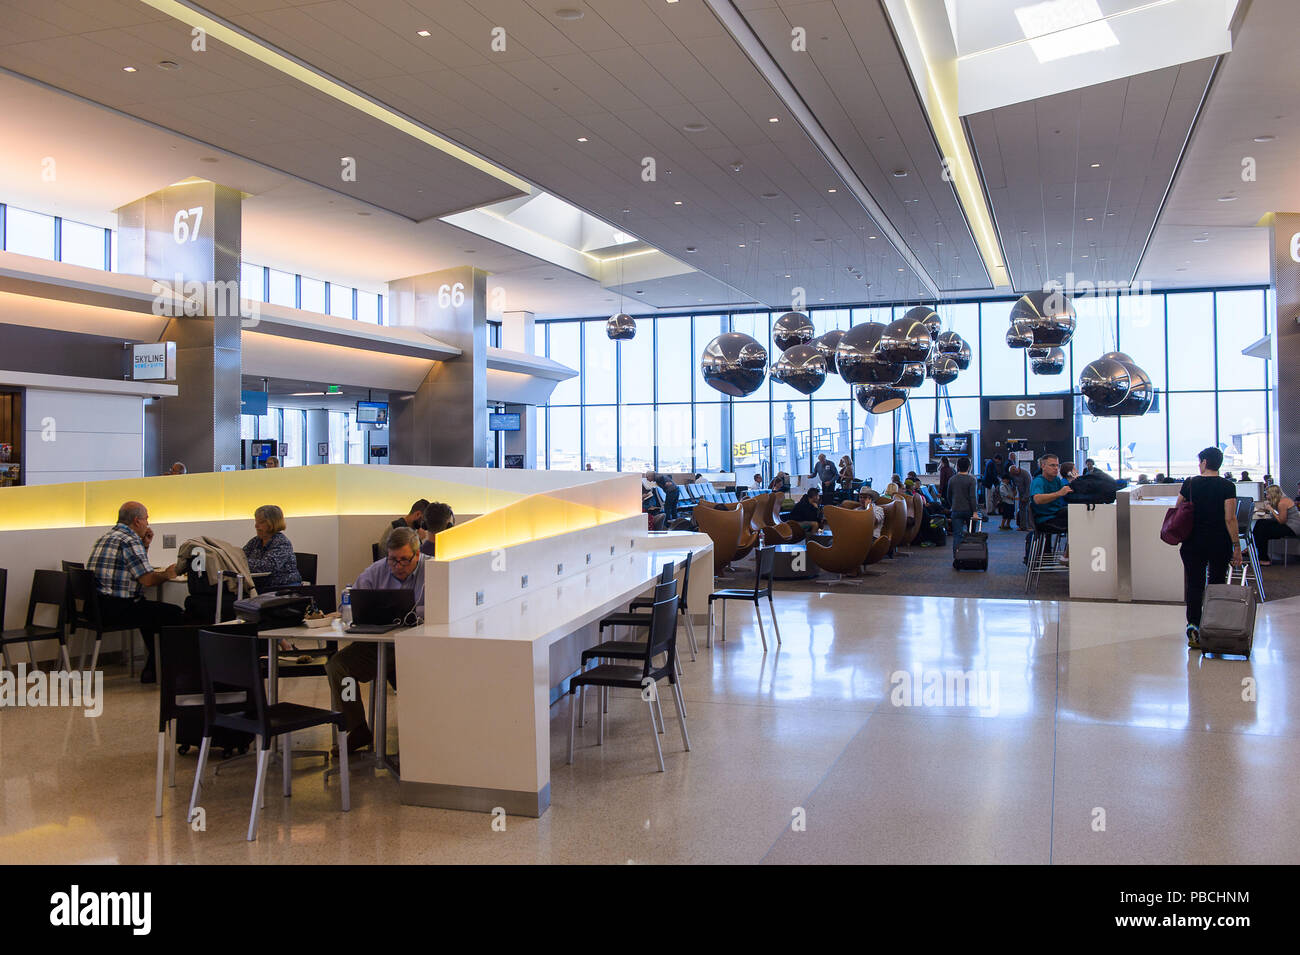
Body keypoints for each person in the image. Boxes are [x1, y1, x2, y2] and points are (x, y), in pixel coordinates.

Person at [325, 527, 425, 751]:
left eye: (404, 560)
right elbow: (347, 605)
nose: (397, 566)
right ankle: (357, 726)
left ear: (417, 555)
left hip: (420, 647)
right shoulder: (375, 571)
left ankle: (424, 734)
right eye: (392, 560)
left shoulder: (435, 569)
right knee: (338, 667)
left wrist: (413, 614)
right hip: (377, 644)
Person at [86, 501, 183, 684]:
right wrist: (168, 574)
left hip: (97, 607)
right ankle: (166, 669)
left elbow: (134, 569)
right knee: (173, 613)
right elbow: (147, 580)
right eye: (146, 519)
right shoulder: (129, 541)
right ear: (137, 521)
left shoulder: (106, 537)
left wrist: (145, 545)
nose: (148, 523)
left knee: (151, 613)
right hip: (117, 609)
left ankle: (153, 669)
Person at [1179, 448, 1241, 649]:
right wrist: (1237, 546)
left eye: (1200, 462)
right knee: (1216, 583)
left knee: (1194, 584)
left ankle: (1193, 625)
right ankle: (1214, 625)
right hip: (1218, 542)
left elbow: (1178, 507)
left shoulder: (1190, 483)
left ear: (1204, 462)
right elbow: (1230, 518)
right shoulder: (1227, 486)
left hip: (1192, 541)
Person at [242, 504, 301, 590]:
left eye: (261, 522)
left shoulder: (282, 543)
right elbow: (241, 555)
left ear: (272, 523)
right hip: (262, 588)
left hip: (283, 590)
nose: (256, 526)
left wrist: (240, 563)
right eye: (256, 521)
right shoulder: (256, 541)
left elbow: (267, 567)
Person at [1028, 453, 1071, 564]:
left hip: (1055, 515)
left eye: (1057, 465)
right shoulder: (1038, 481)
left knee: (1076, 515)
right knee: (1076, 521)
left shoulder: (1057, 480)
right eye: (1052, 465)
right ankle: (1067, 556)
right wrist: (1058, 493)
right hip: (1045, 520)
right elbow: (1037, 499)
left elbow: (1066, 493)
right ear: (1043, 466)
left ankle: (1069, 555)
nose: (1056, 468)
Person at [1254, 484, 1299, 565]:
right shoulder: (1280, 500)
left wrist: (1271, 509)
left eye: (1267, 494)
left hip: (1292, 527)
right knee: (1261, 523)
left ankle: (1263, 558)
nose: (1266, 496)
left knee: (1263, 532)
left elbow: (1282, 521)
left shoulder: (1283, 502)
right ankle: (1258, 552)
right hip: (1288, 524)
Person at [946, 457, 978, 558]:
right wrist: (975, 511)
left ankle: (957, 557)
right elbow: (973, 497)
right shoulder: (972, 479)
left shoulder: (952, 479)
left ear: (957, 466)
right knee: (971, 535)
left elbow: (948, 496)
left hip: (956, 510)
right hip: (969, 511)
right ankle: (971, 556)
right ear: (969, 467)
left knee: (957, 535)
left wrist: (953, 505)